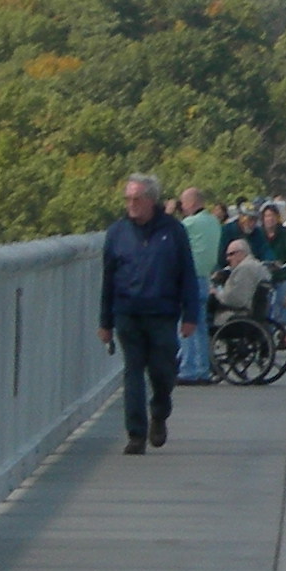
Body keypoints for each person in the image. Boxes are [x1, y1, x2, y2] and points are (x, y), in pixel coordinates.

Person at [100, 172, 200, 456]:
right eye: (128, 199)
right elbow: (108, 279)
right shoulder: (117, 233)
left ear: (151, 201)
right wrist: (105, 322)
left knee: (162, 371)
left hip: (162, 313)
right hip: (127, 313)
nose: (131, 204)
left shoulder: (173, 231)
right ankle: (136, 434)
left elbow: (187, 274)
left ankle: (160, 411)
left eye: (137, 199)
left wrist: (190, 315)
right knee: (132, 372)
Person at [175, 185, 226, 384]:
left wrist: (170, 213)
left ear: (193, 202)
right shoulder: (214, 222)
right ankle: (203, 369)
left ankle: (188, 369)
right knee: (201, 327)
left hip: (188, 278)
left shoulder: (190, 223)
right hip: (205, 277)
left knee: (186, 326)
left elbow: (170, 233)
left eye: (184, 202)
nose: (182, 206)